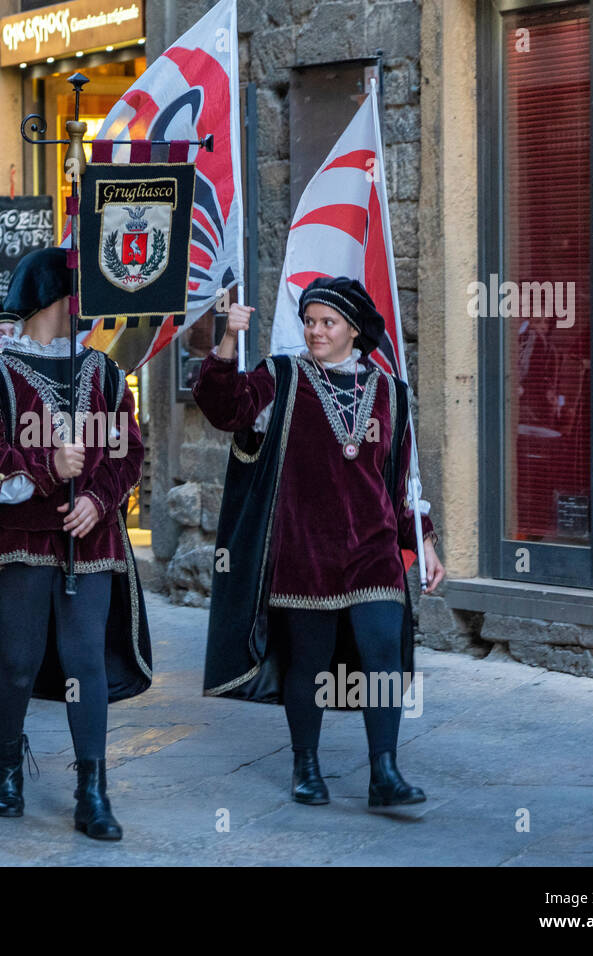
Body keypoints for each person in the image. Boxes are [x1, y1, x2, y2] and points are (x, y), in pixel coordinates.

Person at [0, 248, 152, 841]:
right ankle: (5, 768)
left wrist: (98, 498)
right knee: (17, 663)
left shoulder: (101, 373)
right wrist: (49, 465)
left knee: (85, 662)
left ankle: (92, 790)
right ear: (57, 301)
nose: (89, 308)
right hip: (18, 539)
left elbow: (128, 449)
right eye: (81, 295)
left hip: (90, 540)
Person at [192, 276, 445, 811]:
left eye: (327, 322)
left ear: (353, 329)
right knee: (310, 664)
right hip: (304, 551)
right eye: (309, 321)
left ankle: (385, 772)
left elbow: (398, 481)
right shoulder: (281, 377)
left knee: (384, 657)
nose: (315, 331)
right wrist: (226, 343)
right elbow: (224, 408)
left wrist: (424, 543)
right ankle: (305, 765)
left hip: (373, 552)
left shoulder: (391, 394)